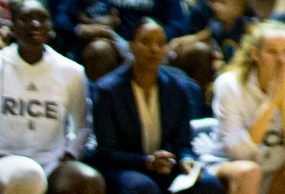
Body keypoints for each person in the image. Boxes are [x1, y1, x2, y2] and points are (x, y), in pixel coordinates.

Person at [0, 0, 99, 194]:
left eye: (42, 19)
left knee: (88, 180)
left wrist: (70, 155)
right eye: (26, 19)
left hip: (51, 162)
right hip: (0, 159)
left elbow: (81, 127)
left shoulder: (72, 71)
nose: (35, 24)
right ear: (12, 27)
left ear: (51, 28)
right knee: (23, 176)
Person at [89, 19, 216, 194]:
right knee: (142, 187)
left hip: (164, 167)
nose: (154, 49)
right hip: (125, 167)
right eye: (146, 42)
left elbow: (183, 144)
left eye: (160, 43)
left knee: (209, 184)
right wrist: (146, 161)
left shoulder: (178, 88)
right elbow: (106, 152)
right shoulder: (108, 90)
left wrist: (186, 160)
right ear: (132, 47)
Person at [212, 22, 285, 194]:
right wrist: (269, 105)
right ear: (255, 54)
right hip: (231, 168)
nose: (281, 59)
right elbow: (238, 153)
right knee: (249, 171)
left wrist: (284, 108)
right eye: (272, 52)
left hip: (277, 171)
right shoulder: (230, 84)